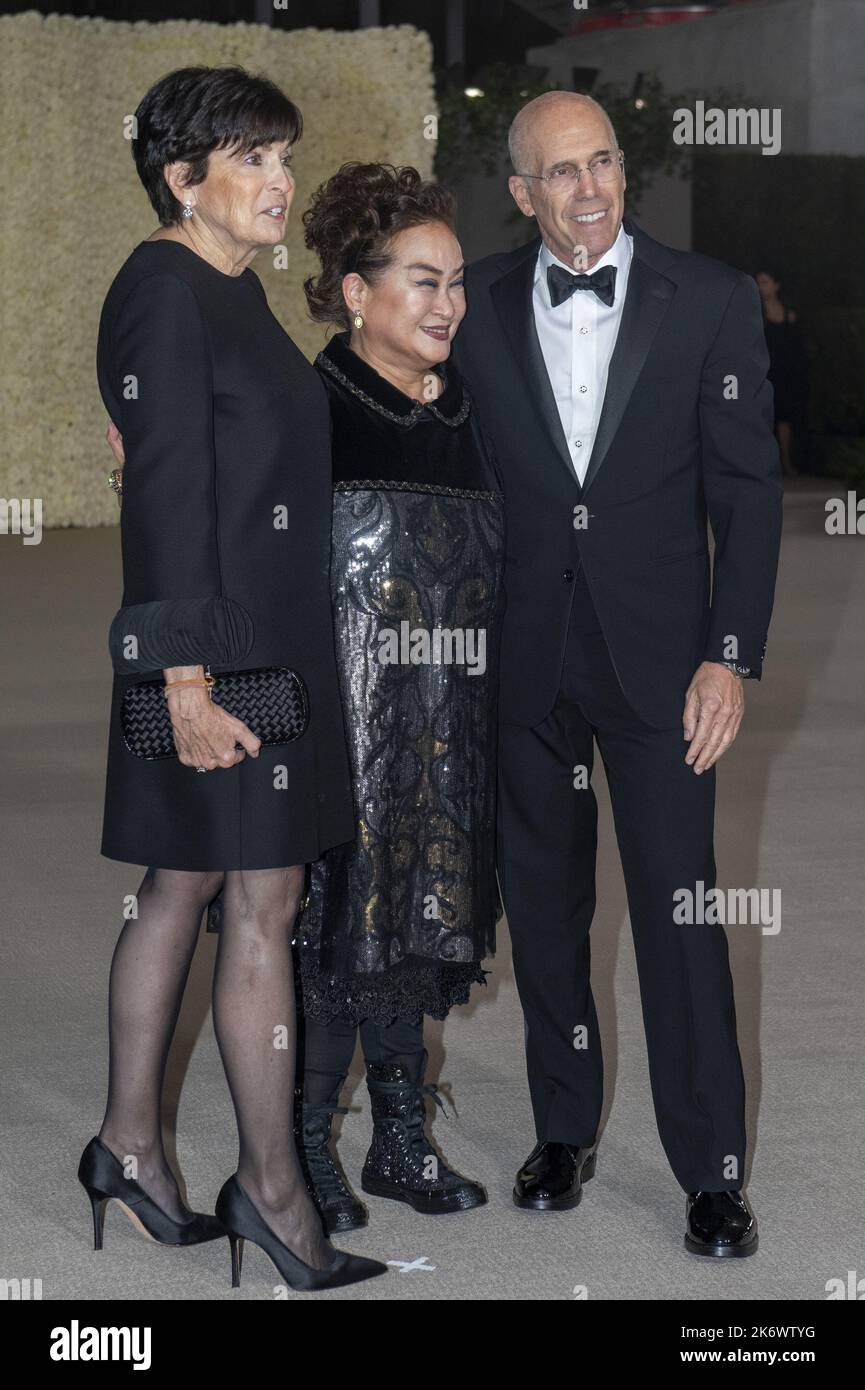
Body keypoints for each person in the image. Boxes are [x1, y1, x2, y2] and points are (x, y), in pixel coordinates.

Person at [450, 91, 783, 1257]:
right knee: (547, 912)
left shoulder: (709, 299)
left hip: (663, 666)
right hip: (523, 660)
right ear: (521, 191)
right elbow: (404, 422)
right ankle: (561, 1128)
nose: (588, 189)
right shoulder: (478, 305)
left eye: (601, 164)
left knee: (680, 916)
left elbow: (746, 498)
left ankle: (711, 1169)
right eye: (561, 172)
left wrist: (727, 655)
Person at [83, 64, 385, 1293]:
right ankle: (269, 1192)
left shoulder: (226, 286)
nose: (280, 182)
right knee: (250, 907)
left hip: (251, 640)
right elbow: (163, 491)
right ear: (182, 177)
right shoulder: (166, 289)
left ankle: (128, 1146)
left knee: (182, 887)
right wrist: (184, 681)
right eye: (252, 159)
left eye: (283, 156)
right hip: (217, 655)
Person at [201, 165, 504, 1232]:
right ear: (354, 291)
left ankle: (402, 1140)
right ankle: (309, 1153)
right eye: (422, 282)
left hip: (449, 730)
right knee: (333, 941)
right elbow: (236, 539)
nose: (448, 304)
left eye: (457, 282)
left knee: (420, 938)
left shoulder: (473, 407)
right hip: (342, 726)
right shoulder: (311, 402)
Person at [755, 270, 808, 477]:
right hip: (763, 373)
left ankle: (785, 461)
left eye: (765, 282)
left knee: (785, 418)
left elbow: (795, 347)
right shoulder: (756, 312)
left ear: (776, 285)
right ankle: (765, 463)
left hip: (784, 374)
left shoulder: (788, 314)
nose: (761, 286)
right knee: (764, 418)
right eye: (758, 282)